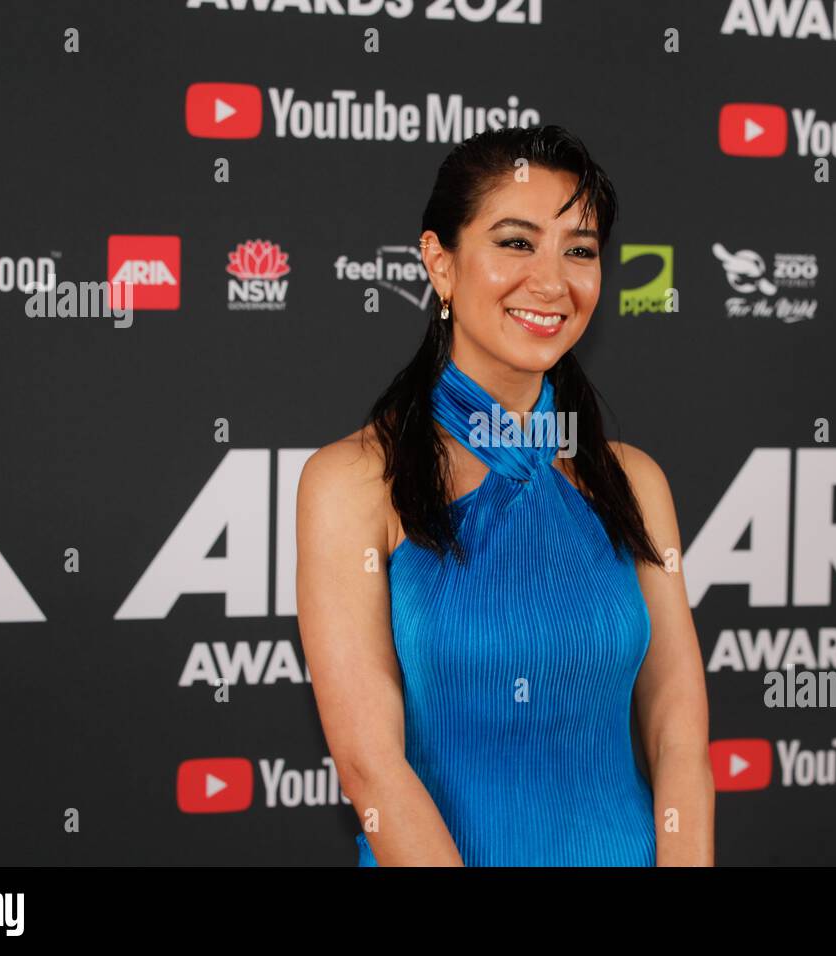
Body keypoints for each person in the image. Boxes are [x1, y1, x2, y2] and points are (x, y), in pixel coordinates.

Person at [295, 124, 713, 866]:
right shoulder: (352, 483)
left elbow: (677, 735)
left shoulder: (634, 482)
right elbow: (370, 768)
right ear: (440, 263)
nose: (552, 282)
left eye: (579, 250)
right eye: (517, 243)